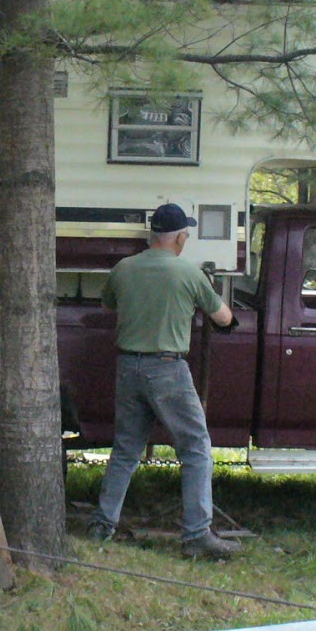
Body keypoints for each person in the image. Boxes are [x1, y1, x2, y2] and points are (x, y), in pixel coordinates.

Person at [90, 202, 240, 559]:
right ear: (179, 238)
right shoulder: (188, 274)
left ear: (151, 235)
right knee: (196, 449)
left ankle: (101, 527)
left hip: (128, 367)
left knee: (125, 450)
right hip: (168, 368)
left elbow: (108, 304)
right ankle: (196, 536)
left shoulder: (123, 269)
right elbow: (223, 318)